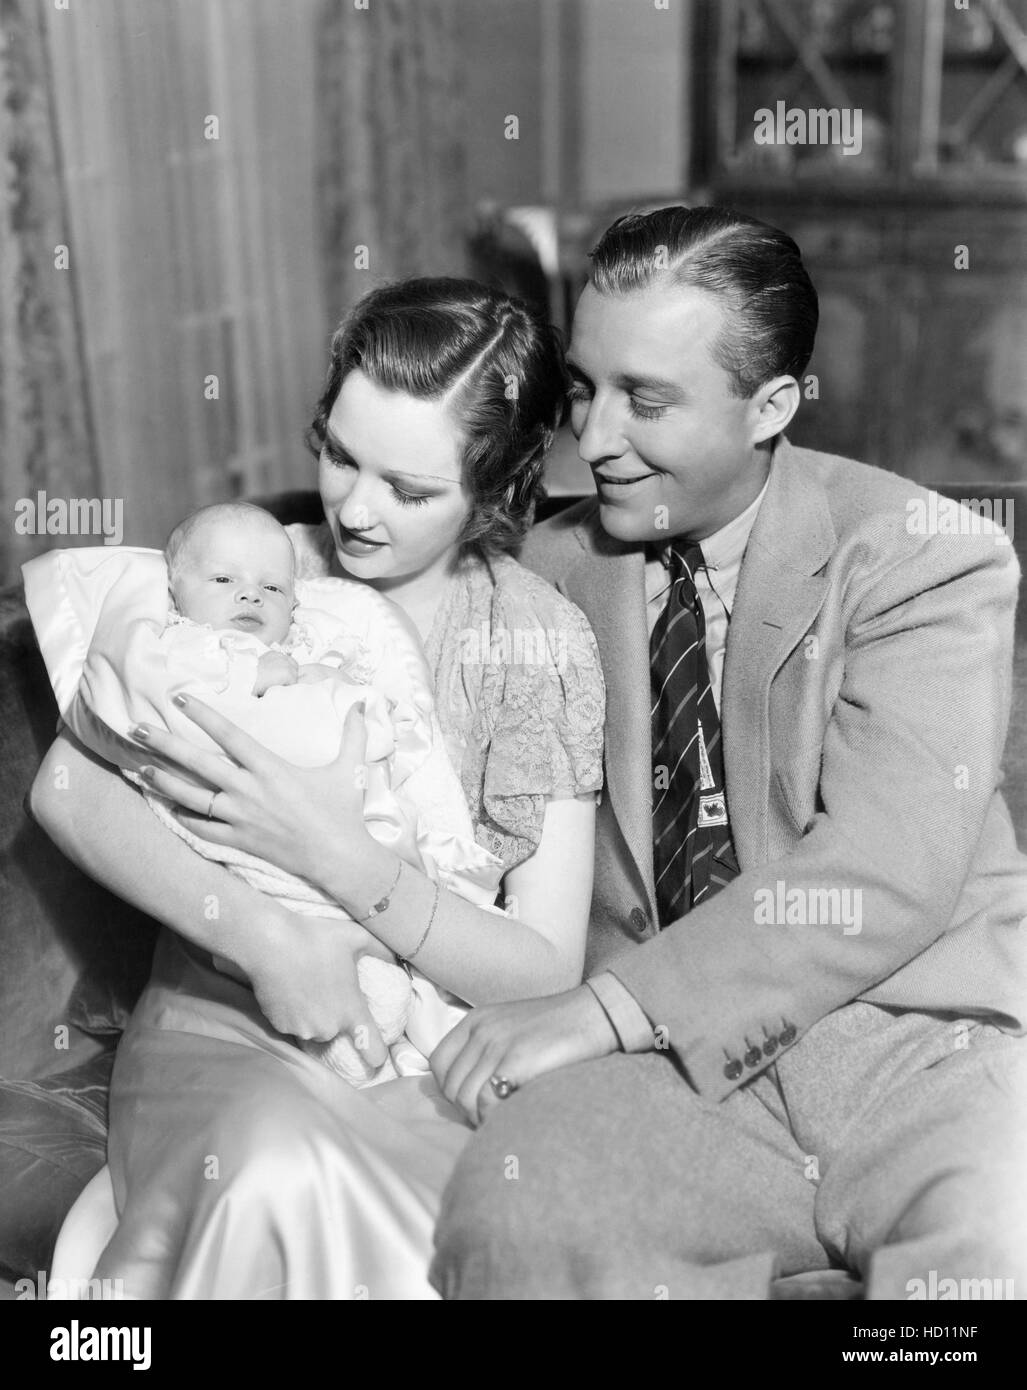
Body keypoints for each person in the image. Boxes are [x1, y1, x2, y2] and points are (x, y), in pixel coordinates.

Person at [427, 206, 1027, 1301]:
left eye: (645, 399)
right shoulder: (539, 572)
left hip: (916, 1043)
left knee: (986, 1274)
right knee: (513, 1221)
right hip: (678, 1073)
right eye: (583, 388)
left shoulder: (923, 557)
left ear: (773, 405)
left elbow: (885, 871)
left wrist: (604, 1008)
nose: (595, 438)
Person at [30, 278, 606, 1299]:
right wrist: (266, 935)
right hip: (224, 1017)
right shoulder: (255, 564)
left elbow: (541, 968)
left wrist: (332, 851)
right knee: (272, 1169)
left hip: (430, 1048)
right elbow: (69, 790)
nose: (353, 507)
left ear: (502, 491)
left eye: (409, 488)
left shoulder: (537, 645)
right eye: (339, 454)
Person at [26, 499, 507, 1085]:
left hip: (376, 879)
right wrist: (268, 942)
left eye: (273, 589)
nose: (251, 595)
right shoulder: (189, 634)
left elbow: (383, 739)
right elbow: (77, 771)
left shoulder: (340, 633)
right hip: (244, 899)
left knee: (410, 1009)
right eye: (339, 454)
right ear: (175, 593)